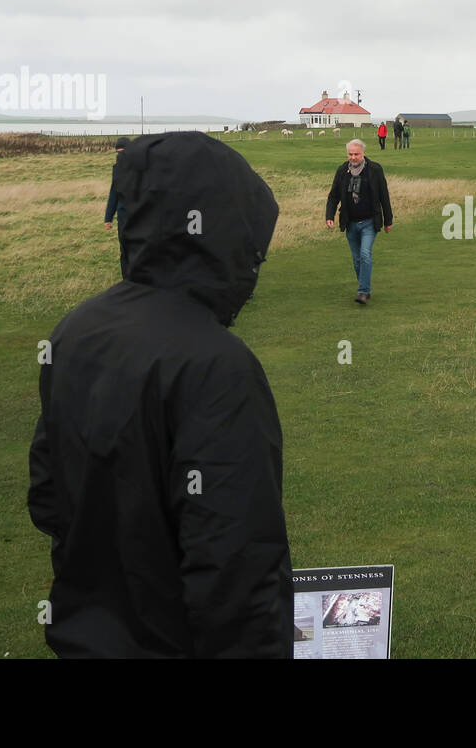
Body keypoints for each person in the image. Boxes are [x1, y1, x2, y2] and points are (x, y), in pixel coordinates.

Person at [29, 131, 292, 657]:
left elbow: (48, 495)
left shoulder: (76, 330)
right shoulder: (218, 366)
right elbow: (234, 569)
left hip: (84, 637)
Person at [325, 139, 393, 305]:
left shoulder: (375, 169)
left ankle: (363, 292)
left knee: (365, 255)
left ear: (363, 153)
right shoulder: (342, 170)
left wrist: (388, 220)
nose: (353, 157)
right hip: (351, 223)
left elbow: (384, 195)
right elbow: (333, 196)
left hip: (370, 222)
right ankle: (365, 287)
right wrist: (329, 216)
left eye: (356, 154)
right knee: (357, 260)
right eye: (350, 154)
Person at [103, 136, 130, 276]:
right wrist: (108, 217)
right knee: (124, 249)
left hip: (139, 216)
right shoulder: (117, 169)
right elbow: (114, 193)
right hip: (123, 216)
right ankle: (127, 280)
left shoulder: (140, 169)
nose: (120, 156)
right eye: (118, 153)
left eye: (123, 152)